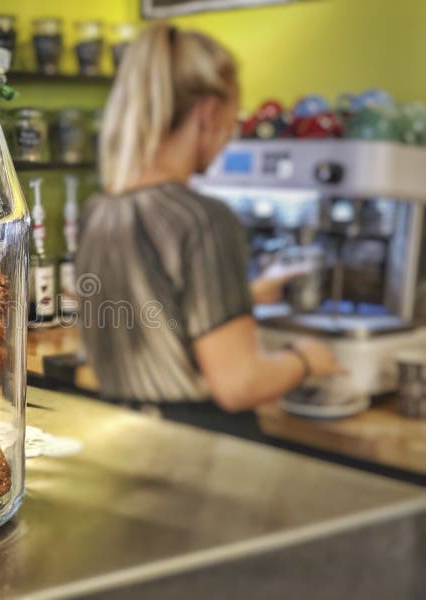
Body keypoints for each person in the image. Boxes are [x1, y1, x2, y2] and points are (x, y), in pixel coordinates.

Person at [76, 22, 343, 429]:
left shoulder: (100, 210)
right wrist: (306, 359)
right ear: (207, 113)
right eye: (231, 120)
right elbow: (237, 386)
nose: (228, 139)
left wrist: (247, 294)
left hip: (131, 442)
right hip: (202, 451)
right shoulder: (203, 219)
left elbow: (151, 312)